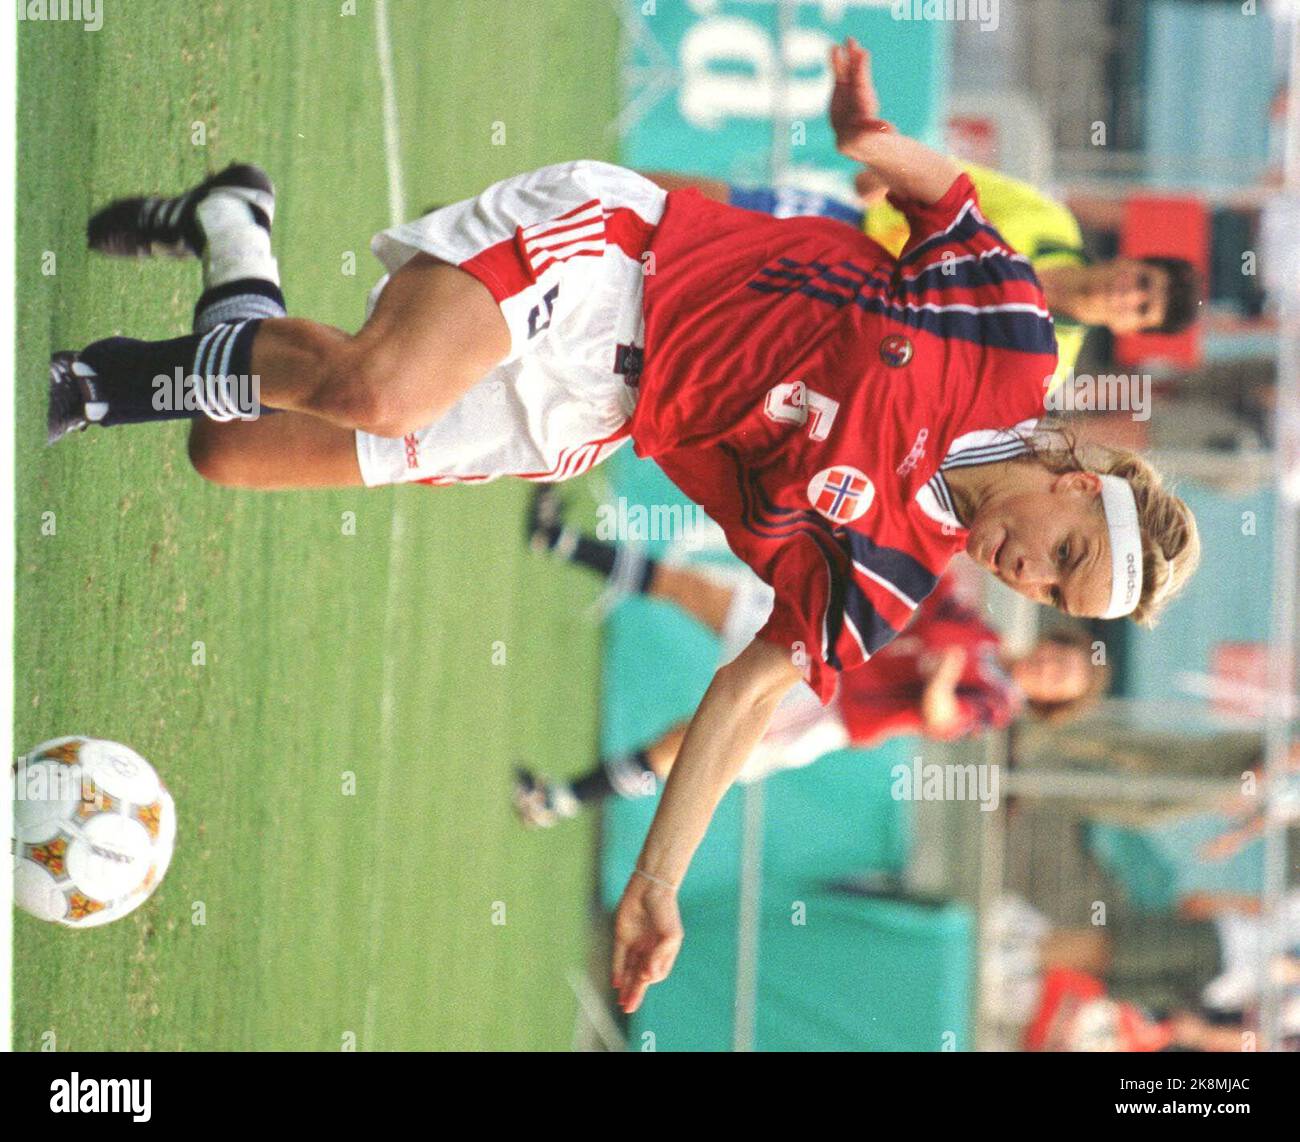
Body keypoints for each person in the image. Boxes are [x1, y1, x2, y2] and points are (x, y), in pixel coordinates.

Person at [50, 37, 1200, 1013]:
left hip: (591, 413)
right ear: (1073, 474)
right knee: (376, 386)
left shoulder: (890, 574)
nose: (1030, 575)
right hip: (616, 259)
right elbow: (945, 200)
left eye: (1052, 591)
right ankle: (90, 382)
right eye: (1065, 552)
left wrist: (654, 879)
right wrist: (869, 138)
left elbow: (750, 696)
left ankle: (232, 224)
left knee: (232, 448)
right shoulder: (1010, 336)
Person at [513, 490, 1108, 827]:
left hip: (826, 707)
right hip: (822, 641)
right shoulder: (982, 635)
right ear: (1051, 644)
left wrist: (943, 680)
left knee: (690, 742)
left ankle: (556, 800)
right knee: (697, 589)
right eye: (1061, 660)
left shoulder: (997, 702)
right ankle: (558, 540)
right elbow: (930, 586)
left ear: (1050, 701)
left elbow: (939, 718)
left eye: (1060, 683)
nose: (1051, 671)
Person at [642, 60, 1202, 389]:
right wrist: (885, 175)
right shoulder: (1050, 219)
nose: (1128, 294)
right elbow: (949, 177)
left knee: (692, 311)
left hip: (849, 313)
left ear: (1131, 333)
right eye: (1144, 281)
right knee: (711, 205)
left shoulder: (1047, 366)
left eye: (1142, 309)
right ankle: (598, 189)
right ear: (1133, 259)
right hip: (853, 227)